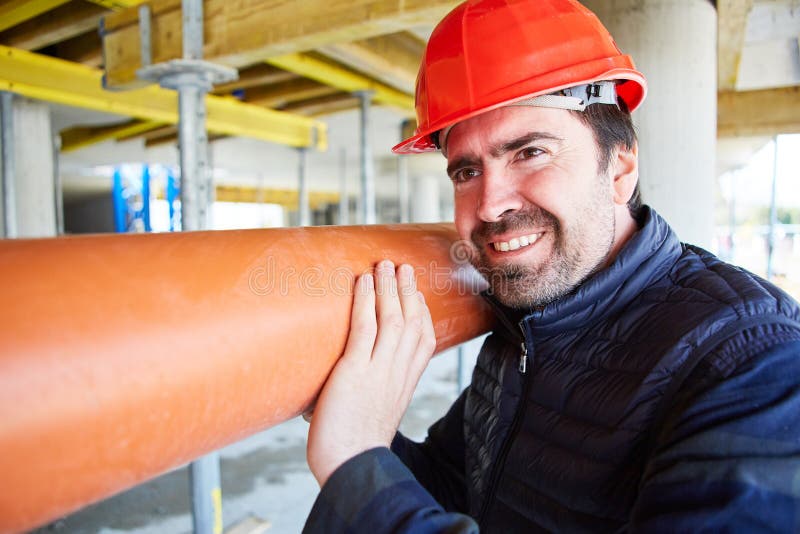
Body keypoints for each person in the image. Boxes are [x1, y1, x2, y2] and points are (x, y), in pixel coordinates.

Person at [302, 0, 800, 531]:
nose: (491, 204)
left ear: (620, 167)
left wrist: (356, 461)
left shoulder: (751, 363)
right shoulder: (527, 329)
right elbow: (454, 488)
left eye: (529, 152)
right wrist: (358, 423)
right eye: (466, 171)